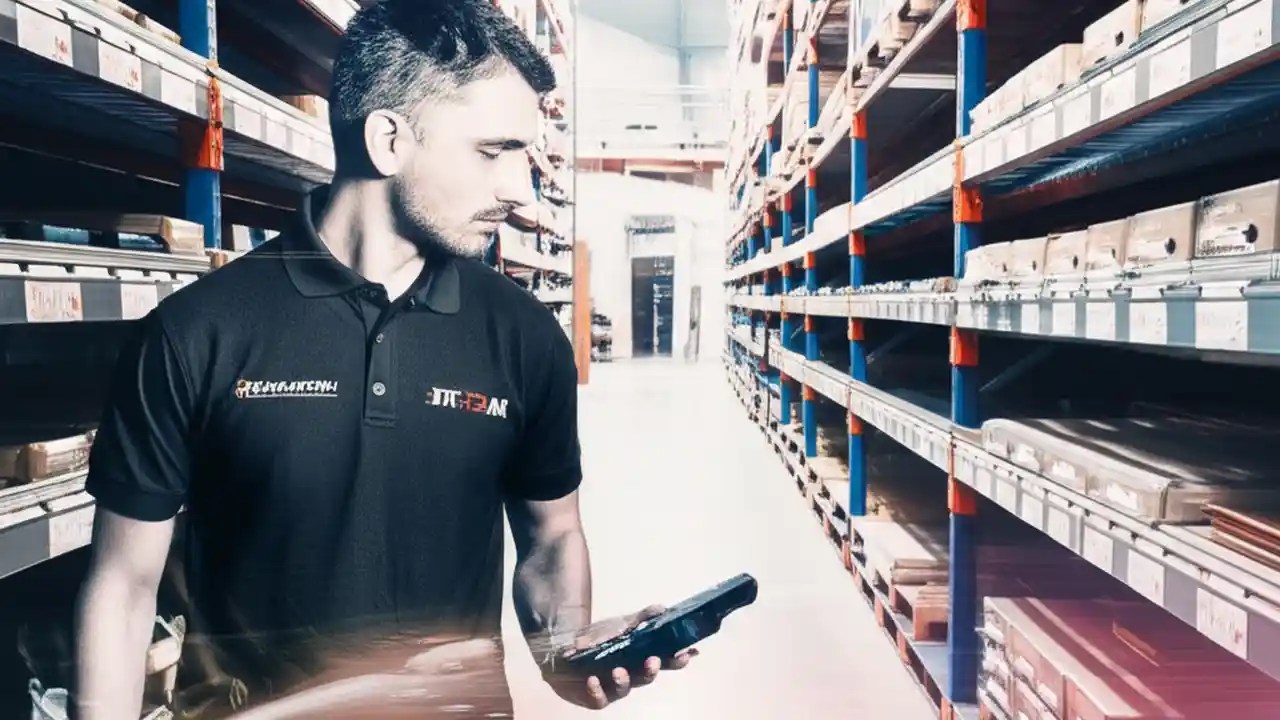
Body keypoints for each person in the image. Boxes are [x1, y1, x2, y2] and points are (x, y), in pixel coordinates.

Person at [72, 1, 693, 717]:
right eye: (495, 152)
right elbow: (121, 588)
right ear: (388, 139)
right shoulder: (195, 333)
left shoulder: (525, 338)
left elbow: (551, 535)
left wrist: (565, 652)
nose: (521, 191)